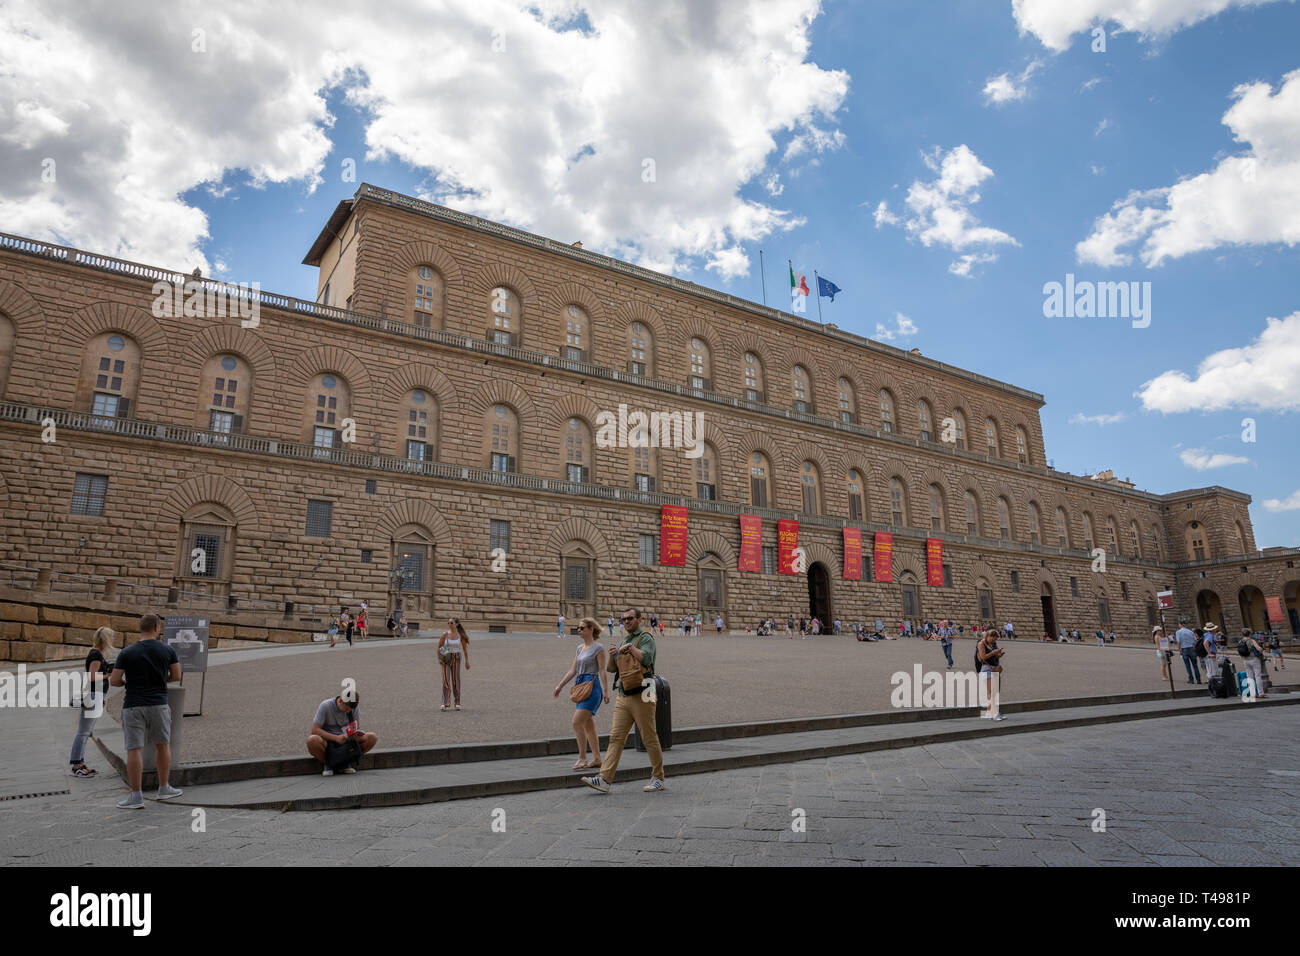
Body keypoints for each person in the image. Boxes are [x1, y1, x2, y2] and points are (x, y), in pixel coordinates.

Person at [582, 608, 665, 794]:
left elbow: (647, 658)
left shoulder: (645, 638)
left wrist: (630, 649)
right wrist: (613, 654)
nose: (626, 622)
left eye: (630, 618)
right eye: (624, 619)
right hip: (625, 692)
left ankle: (658, 777)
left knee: (649, 736)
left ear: (639, 619)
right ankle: (604, 778)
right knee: (616, 738)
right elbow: (612, 669)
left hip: (645, 691)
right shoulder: (625, 639)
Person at [110, 614, 183, 808]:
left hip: (133, 704)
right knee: (163, 745)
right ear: (157, 628)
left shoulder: (126, 652)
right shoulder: (168, 650)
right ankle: (164, 787)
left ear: (140, 628)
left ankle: (136, 795)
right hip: (158, 703)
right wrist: (160, 681)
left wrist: (128, 682)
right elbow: (176, 675)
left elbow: (114, 680)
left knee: (134, 749)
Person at [553, 618, 609, 771]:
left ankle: (582, 758)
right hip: (580, 686)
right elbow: (573, 671)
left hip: (592, 686)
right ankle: (597, 758)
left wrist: (605, 691)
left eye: (582, 628)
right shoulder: (580, 648)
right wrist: (560, 686)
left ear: (591, 629)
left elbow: (602, 670)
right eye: (578, 628)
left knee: (576, 722)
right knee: (588, 725)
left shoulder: (599, 648)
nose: (579, 630)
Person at [70, 626, 115, 778]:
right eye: (111, 638)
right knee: (83, 733)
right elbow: (92, 677)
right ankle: (77, 765)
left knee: (86, 732)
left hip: (97, 696)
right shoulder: (96, 655)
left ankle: (80, 764)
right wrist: (107, 675)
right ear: (106, 640)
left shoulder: (97, 654)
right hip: (94, 696)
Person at [307, 691, 378, 775]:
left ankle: (345, 762)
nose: (348, 712)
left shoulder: (353, 708)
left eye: (350, 710)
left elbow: (355, 727)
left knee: (372, 737)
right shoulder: (325, 706)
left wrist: (356, 736)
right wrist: (336, 738)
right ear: (340, 701)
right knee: (312, 740)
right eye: (346, 709)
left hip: (347, 740)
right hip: (328, 741)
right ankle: (329, 763)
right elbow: (315, 730)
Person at [437, 618, 470, 711]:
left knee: (456, 680)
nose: (449, 624)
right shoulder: (445, 635)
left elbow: (464, 649)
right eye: (448, 623)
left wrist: (467, 661)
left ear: (457, 624)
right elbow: (439, 647)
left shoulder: (460, 636)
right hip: (446, 658)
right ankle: (445, 702)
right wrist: (439, 658)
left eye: (451, 623)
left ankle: (457, 702)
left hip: (457, 658)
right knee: (446, 680)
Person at [976, 631, 1005, 720]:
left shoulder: (992, 644)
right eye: (994, 639)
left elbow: (992, 657)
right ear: (989, 636)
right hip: (986, 670)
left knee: (993, 692)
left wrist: (998, 655)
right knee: (991, 692)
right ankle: (994, 713)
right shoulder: (981, 644)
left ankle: (989, 712)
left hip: (994, 668)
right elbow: (983, 657)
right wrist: (993, 652)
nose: (994, 641)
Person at [1236, 628, 1268, 699]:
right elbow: (1259, 649)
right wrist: (1262, 649)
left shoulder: (1240, 641)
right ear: (1249, 634)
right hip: (1254, 659)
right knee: (1258, 676)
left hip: (1245, 660)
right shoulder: (1251, 640)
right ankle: (1261, 693)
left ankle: (1253, 693)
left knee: (1250, 677)